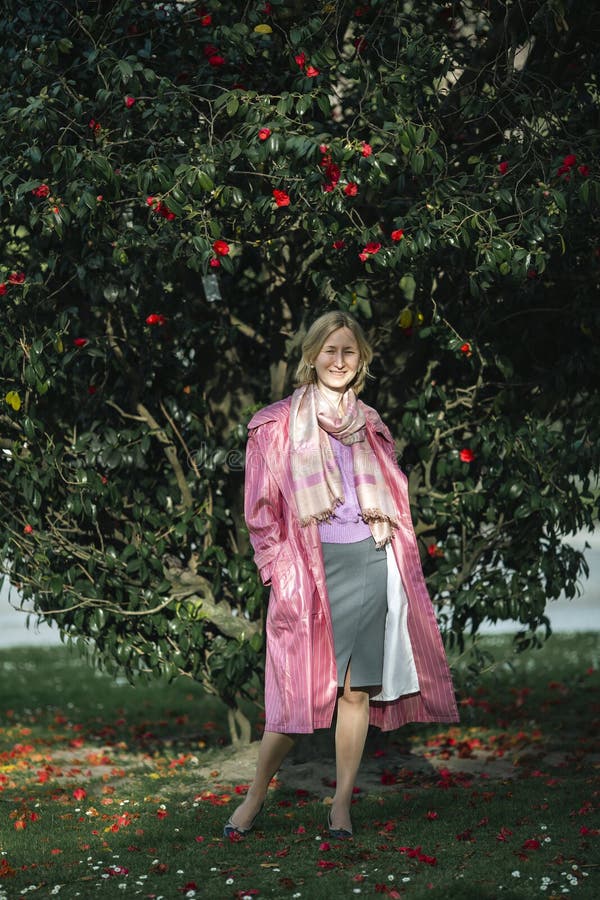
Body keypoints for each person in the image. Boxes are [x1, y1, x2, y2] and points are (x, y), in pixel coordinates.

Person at [224, 310, 458, 840]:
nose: (339, 360)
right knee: (297, 696)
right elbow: (260, 509)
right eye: (329, 350)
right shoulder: (275, 425)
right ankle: (255, 796)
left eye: (349, 352)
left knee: (356, 693)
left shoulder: (369, 423)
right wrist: (274, 570)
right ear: (311, 355)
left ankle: (342, 805)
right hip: (308, 568)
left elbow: (391, 494)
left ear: (361, 361)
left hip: (370, 559)